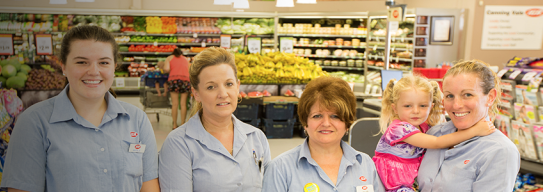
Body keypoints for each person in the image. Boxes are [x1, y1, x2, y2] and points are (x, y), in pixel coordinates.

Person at [0, 26, 160, 192]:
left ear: (114, 67)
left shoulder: (137, 120)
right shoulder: (34, 122)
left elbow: (149, 186)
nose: (93, 71)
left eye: (103, 62)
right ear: (63, 67)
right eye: (81, 62)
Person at [158, 47, 270, 192]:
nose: (223, 94)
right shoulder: (179, 144)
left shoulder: (257, 137)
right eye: (211, 87)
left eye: (229, 84)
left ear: (237, 87)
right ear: (196, 93)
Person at [262, 76, 384, 192]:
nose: (326, 123)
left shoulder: (365, 164)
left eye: (335, 116)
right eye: (317, 116)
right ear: (305, 122)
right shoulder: (280, 169)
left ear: (347, 123)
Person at [374, 75, 494, 192]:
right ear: (395, 108)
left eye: (423, 106)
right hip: (393, 182)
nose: (416, 111)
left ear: (431, 107)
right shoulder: (399, 129)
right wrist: (474, 131)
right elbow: (437, 142)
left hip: (408, 180)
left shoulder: (424, 127)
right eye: (407, 106)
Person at [416, 60, 520, 191]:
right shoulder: (434, 134)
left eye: (467, 95)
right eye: (449, 96)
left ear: (490, 97)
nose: (456, 105)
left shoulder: (499, 151)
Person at [161, 48, 191, 129]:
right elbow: (189, 69)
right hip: (185, 80)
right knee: (183, 104)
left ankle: (174, 125)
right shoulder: (185, 59)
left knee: (174, 104)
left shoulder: (169, 58)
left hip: (173, 80)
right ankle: (182, 124)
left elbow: (166, 69)